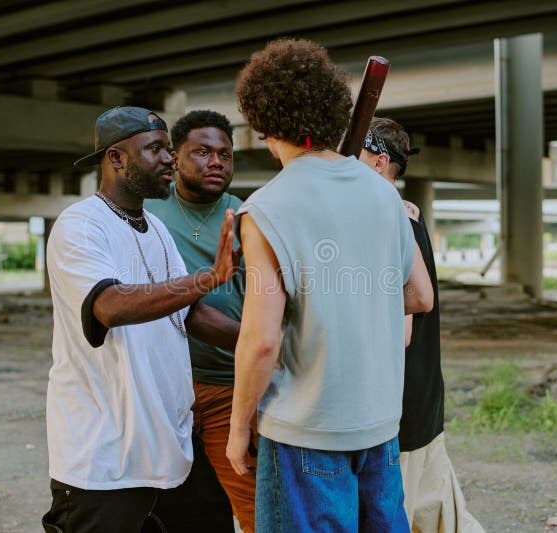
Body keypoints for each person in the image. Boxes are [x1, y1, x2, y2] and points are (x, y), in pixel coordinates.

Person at [226, 38, 434, 532]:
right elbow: (419, 296)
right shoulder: (385, 196)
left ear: (263, 122)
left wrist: (238, 428)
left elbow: (261, 341)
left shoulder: (266, 210)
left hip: (304, 433)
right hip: (380, 428)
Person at [42, 106, 239, 533]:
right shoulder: (80, 225)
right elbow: (110, 305)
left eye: (168, 149)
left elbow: (190, 315)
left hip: (168, 448)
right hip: (104, 460)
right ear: (116, 158)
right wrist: (209, 276)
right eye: (155, 149)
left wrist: (271, 343)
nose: (169, 158)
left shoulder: (157, 229)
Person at [360, 117, 485, 533]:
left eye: (353, 156)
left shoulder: (386, 221)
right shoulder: (407, 217)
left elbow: (404, 328)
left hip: (400, 402)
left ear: (379, 163)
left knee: (405, 512)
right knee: (440, 515)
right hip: (425, 394)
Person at [146, 110, 256, 532]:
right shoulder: (149, 216)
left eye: (225, 155)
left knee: (251, 506)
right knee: (176, 509)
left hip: (232, 386)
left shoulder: (248, 216)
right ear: (175, 159)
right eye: (203, 152)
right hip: (166, 387)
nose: (216, 162)